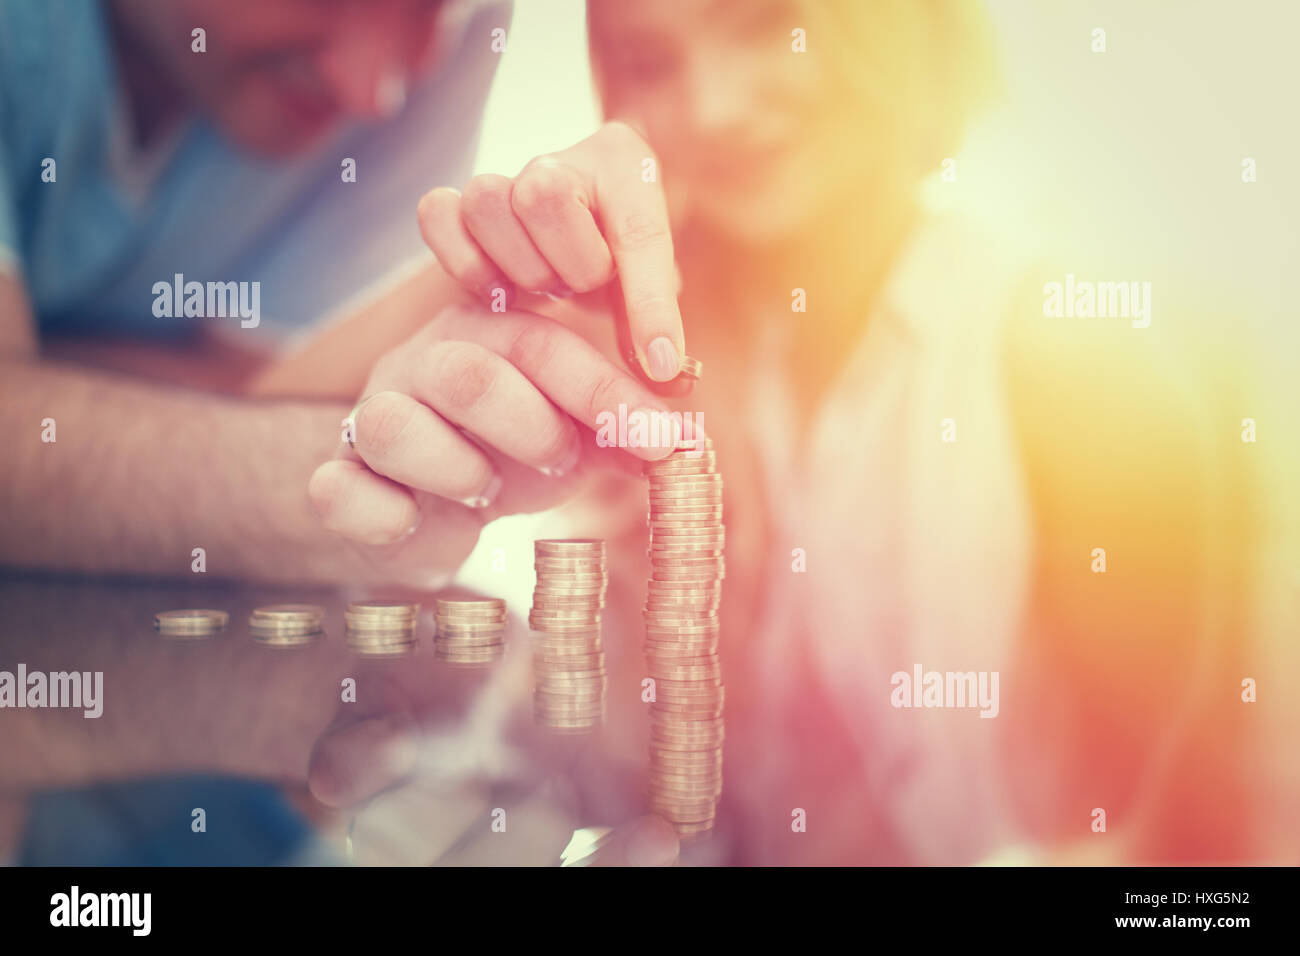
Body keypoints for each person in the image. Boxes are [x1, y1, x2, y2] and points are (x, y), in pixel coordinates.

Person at [312, 0, 1259, 864]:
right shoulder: (616, 336)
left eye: (765, 25)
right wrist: (472, 280)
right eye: (651, 59)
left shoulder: (1073, 361)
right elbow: (259, 428)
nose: (715, 107)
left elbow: (1192, 830)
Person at [0, 0, 688, 592]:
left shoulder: (462, 37)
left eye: (428, 7)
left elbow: (244, 398)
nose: (373, 93)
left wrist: (479, 289)